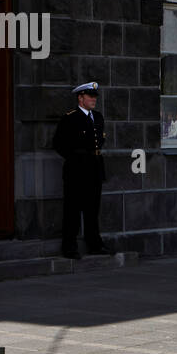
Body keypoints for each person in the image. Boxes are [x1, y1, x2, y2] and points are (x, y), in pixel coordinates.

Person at [52, 81, 111, 259]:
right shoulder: (70, 118)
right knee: (73, 209)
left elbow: (99, 141)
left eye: (95, 97)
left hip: (94, 167)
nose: (94, 100)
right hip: (76, 170)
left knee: (93, 208)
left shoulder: (98, 117)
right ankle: (70, 246)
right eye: (90, 96)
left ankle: (94, 243)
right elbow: (58, 144)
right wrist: (75, 158)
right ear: (80, 98)